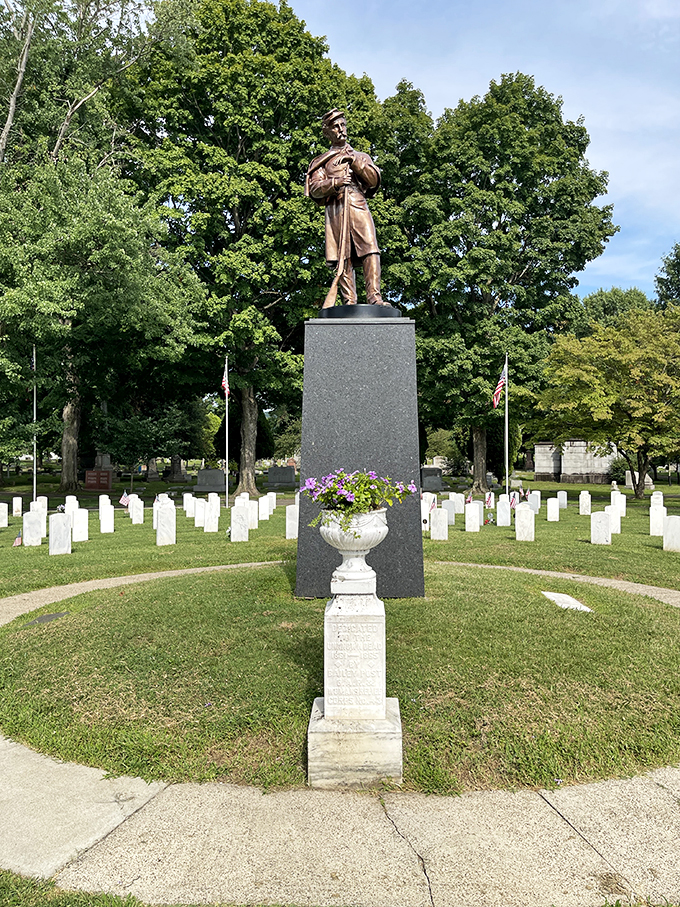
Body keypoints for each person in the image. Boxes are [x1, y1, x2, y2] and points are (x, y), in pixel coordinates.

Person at [305, 108, 386, 306]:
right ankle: (349, 300)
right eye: (336, 126)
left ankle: (374, 297)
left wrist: (355, 163)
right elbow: (314, 188)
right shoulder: (321, 162)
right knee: (343, 256)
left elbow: (374, 180)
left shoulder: (360, 155)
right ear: (327, 132)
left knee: (371, 248)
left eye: (343, 125)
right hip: (336, 209)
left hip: (358, 204)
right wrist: (335, 183)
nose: (341, 129)